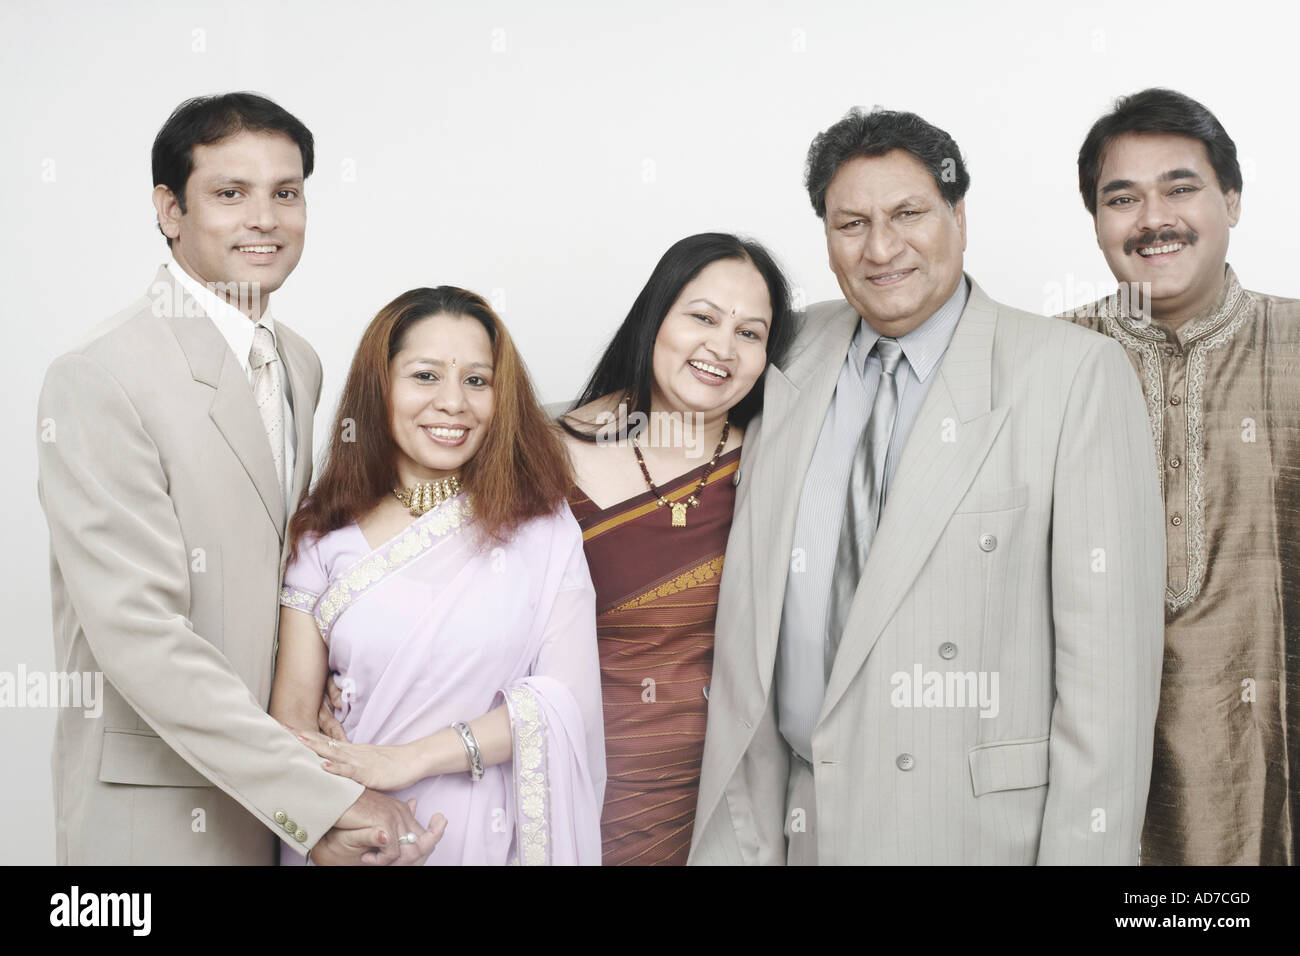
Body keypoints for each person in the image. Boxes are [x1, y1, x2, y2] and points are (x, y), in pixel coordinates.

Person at [689, 107, 1167, 865]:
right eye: (851, 223)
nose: (881, 248)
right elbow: (663, 389)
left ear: (958, 214)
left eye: (908, 213)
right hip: (797, 818)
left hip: (972, 834)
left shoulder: (1072, 375)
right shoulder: (783, 352)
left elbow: (1109, 688)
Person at [35, 92, 438, 865]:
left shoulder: (299, 361)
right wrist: (323, 800)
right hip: (154, 804)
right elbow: (140, 637)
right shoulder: (98, 377)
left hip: (277, 793)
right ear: (169, 208)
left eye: (286, 193)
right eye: (230, 193)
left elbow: (290, 572)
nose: (266, 218)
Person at [276, 286, 605, 865]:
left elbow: (566, 706)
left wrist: (406, 760)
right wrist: (339, 826)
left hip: (486, 838)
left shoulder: (541, 530)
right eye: (426, 376)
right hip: (355, 838)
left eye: (477, 381)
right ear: (380, 388)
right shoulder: (321, 536)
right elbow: (292, 722)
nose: (453, 402)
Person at [1059, 88, 1300, 866]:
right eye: (1121, 197)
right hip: (1094, 770)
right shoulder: (1048, 363)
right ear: (1096, 221)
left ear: (1232, 199)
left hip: (1273, 753)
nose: (1152, 218)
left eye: (1181, 187)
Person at [555, 233, 795, 864]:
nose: (722, 347)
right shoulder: (545, 454)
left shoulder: (784, 464)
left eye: (750, 333)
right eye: (703, 317)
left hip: (731, 796)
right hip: (568, 778)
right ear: (654, 316)